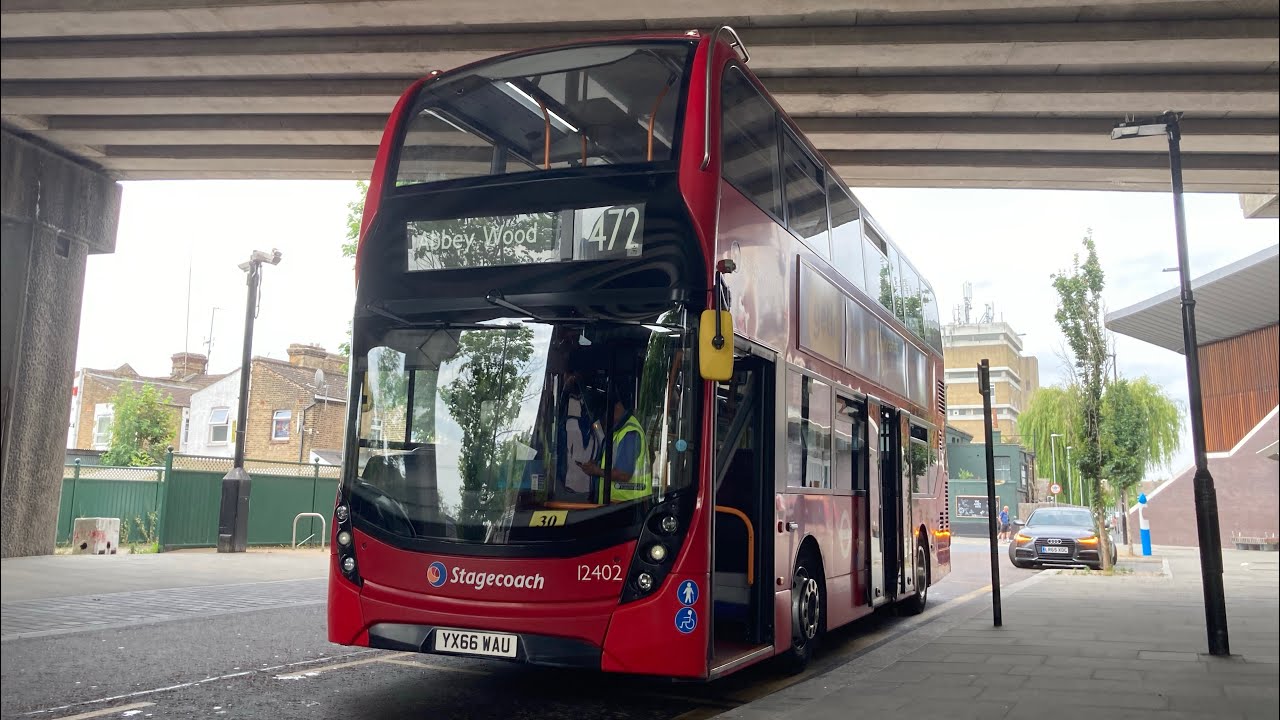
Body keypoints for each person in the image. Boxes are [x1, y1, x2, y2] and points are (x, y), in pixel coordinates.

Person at [577, 387, 650, 504]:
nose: (605, 418)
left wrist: (596, 470)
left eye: (606, 413)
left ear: (617, 407)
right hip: (615, 504)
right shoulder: (618, 431)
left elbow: (623, 474)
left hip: (625, 506)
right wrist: (596, 464)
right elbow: (612, 461)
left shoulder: (629, 433)